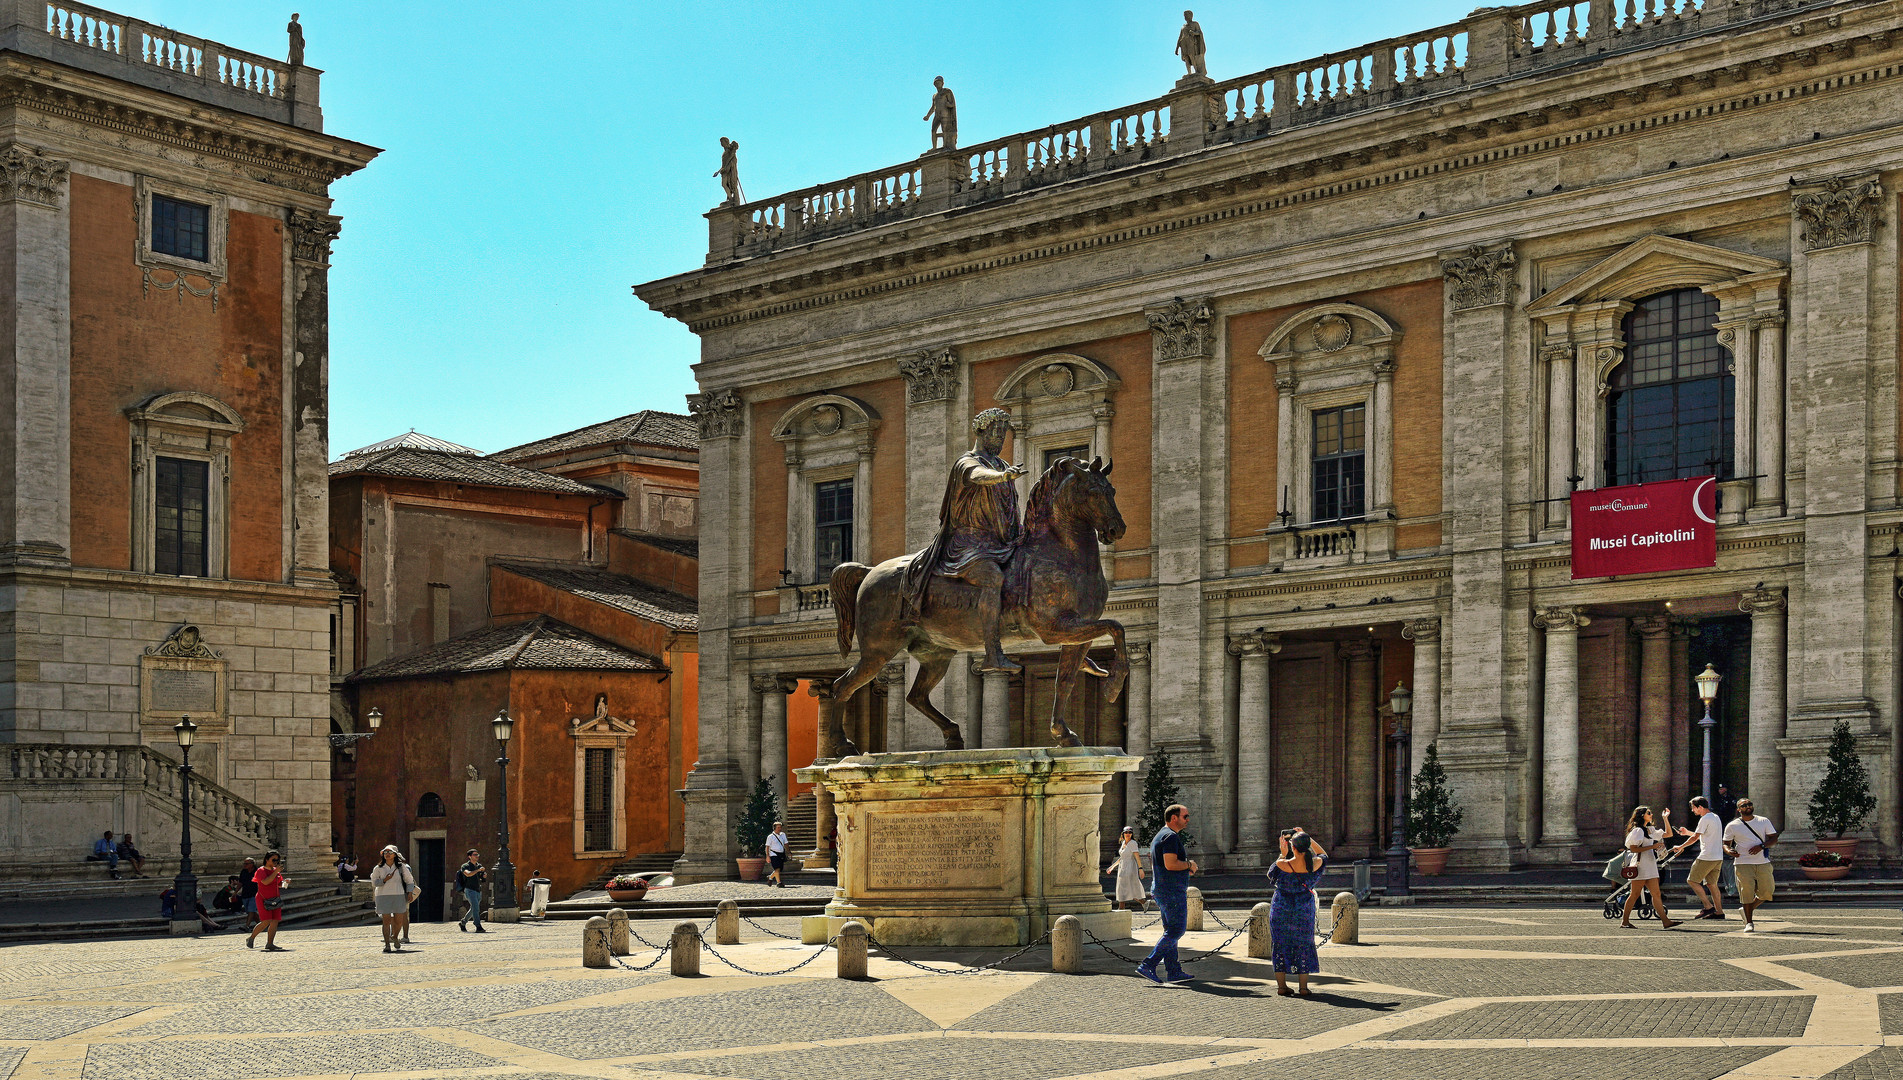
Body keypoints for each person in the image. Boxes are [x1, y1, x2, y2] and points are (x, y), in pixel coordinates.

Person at [901, 409, 1029, 672]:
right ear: (981, 431)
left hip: (1001, 543)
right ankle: (993, 652)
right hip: (969, 545)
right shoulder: (967, 462)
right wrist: (1001, 478)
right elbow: (977, 476)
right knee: (993, 578)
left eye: (1004, 433)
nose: (1000, 438)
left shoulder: (1003, 465)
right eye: (996, 431)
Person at [1136, 804, 1197, 985]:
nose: (1188, 819)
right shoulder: (1170, 837)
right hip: (1170, 890)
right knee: (1177, 930)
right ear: (1173, 818)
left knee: (1170, 930)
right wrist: (1189, 865)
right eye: (1185, 816)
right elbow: (1170, 864)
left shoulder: (1162, 835)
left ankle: (1174, 971)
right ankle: (1149, 964)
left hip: (1163, 888)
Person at [1268, 828, 1329, 997]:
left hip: (1281, 908)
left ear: (1292, 847)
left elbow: (1270, 874)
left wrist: (1282, 853)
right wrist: (1308, 838)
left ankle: (1282, 986)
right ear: (1307, 847)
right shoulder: (1315, 864)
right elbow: (1323, 854)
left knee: (1279, 944)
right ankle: (1303, 987)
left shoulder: (1282, 864)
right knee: (1304, 944)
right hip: (1304, 910)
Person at [1619, 805, 1681, 930]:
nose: (1651, 814)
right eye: (1649, 813)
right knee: (1634, 894)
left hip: (1650, 864)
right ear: (1642, 815)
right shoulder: (1638, 831)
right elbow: (1633, 848)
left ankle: (1665, 921)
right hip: (1640, 865)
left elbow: (1668, 834)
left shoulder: (1650, 830)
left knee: (1656, 893)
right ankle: (1625, 921)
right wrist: (1652, 847)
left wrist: (1665, 818)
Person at [1725, 797, 1779, 932]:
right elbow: (1726, 844)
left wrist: (1761, 846)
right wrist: (1730, 851)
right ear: (1739, 809)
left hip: (1763, 862)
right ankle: (1749, 922)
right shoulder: (1732, 825)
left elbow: (1773, 838)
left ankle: (1746, 909)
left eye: (1749, 804)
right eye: (1744, 805)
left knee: (1768, 891)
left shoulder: (1763, 821)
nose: (1748, 806)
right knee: (1746, 892)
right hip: (1743, 863)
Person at [1671, 795, 1726, 920]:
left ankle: (1708, 906)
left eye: (1693, 808)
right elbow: (1702, 835)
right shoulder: (1715, 817)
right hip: (1717, 857)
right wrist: (1686, 833)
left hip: (1707, 856)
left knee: (1692, 881)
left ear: (1700, 807)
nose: (1692, 811)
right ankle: (1719, 912)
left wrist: (1681, 846)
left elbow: (1695, 838)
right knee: (1712, 884)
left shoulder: (1704, 819)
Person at [370, 845, 417, 953]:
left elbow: (409, 880)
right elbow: (374, 882)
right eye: (385, 852)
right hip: (383, 896)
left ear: (395, 855)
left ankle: (395, 936)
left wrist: (409, 893)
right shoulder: (378, 868)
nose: (387, 854)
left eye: (390, 852)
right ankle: (387, 944)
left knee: (399, 921)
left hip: (398, 895)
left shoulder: (401, 867)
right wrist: (384, 880)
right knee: (386, 921)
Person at [246, 850, 289, 951]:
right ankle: (251, 938)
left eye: (277, 860)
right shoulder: (261, 870)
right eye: (273, 859)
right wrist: (275, 872)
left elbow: (278, 884)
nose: (275, 862)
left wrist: (285, 882)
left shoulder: (275, 871)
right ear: (267, 859)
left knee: (275, 921)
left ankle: (270, 943)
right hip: (263, 899)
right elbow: (265, 882)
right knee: (266, 921)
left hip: (275, 898)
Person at [1105, 825, 1146, 911]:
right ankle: (1144, 903)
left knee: (1128, 887)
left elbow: (1137, 857)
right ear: (1123, 834)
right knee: (1123, 888)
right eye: (1126, 832)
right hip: (1122, 867)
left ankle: (1122, 907)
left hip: (1130, 868)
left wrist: (1140, 868)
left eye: (1130, 832)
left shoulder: (1133, 843)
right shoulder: (1123, 843)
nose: (1128, 834)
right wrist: (1112, 867)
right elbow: (1122, 857)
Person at [923, 75, 958, 151]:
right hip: (937, 115)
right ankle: (934, 147)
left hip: (945, 115)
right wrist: (928, 116)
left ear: (942, 83)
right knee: (933, 130)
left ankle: (945, 145)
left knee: (944, 130)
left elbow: (952, 103)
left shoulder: (947, 91)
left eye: (939, 82)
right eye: (936, 83)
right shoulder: (934, 96)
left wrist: (949, 104)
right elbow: (933, 107)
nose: (937, 84)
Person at [456, 848, 487, 933]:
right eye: (475, 855)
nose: (477, 856)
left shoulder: (479, 865)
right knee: (476, 908)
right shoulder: (465, 866)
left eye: (478, 854)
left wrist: (484, 876)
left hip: (477, 890)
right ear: (470, 856)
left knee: (473, 908)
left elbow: (481, 878)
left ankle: (463, 922)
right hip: (469, 890)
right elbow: (468, 874)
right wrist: (478, 870)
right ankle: (478, 926)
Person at [1176, 10, 1208, 79]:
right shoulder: (1183, 26)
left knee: (1191, 56)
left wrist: (1194, 33)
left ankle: (1197, 71)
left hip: (1191, 43)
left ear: (1191, 16)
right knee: (1186, 57)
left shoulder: (1195, 24)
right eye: (1184, 16)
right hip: (1183, 43)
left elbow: (1200, 32)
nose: (1185, 17)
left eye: (1187, 15)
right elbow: (1180, 36)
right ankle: (1189, 72)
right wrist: (1177, 48)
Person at [236, 857, 259, 930]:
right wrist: (235, 892)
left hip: (255, 894)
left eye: (246, 864)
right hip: (245, 893)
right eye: (244, 863)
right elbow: (240, 883)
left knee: (251, 910)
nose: (244, 865)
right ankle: (261, 924)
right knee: (251, 911)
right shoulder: (243, 871)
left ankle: (247, 926)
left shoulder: (257, 871)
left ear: (252, 864)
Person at [765, 821, 789, 888]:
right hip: (773, 854)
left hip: (781, 854)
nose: (779, 828)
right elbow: (767, 847)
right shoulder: (770, 837)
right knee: (777, 868)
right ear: (774, 828)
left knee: (778, 869)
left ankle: (770, 877)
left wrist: (789, 852)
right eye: (778, 827)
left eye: (780, 827)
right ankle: (779, 882)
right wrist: (767, 856)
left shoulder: (783, 835)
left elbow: (786, 843)